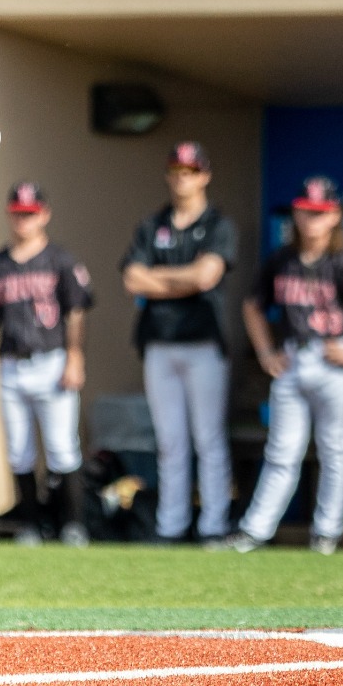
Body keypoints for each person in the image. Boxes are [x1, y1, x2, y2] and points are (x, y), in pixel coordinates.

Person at [227, 176, 343, 555]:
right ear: (295, 213)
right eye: (306, 212)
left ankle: (326, 533)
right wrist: (265, 352)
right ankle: (255, 532)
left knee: (335, 448)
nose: (311, 220)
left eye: (319, 213)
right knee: (281, 450)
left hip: (334, 358)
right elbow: (252, 306)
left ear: (334, 216)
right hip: (293, 355)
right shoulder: (281, 260)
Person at [120, 141, 237, 547]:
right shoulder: (153, 225)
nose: (181, 178)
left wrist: (160, 281)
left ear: (204, 175)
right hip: (159, 342)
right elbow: (132, 279)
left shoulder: (218, 224)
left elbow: (207, 276)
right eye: (176, 170)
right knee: (169, 440)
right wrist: (179, 282)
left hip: (203, 343)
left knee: (208, 437)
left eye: (189, 171)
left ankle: (213, 524)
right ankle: (170, 526)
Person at [0, 181, 94, 546]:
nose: (23, 220)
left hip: (51, 360)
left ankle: (73, 524)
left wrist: (75, 355)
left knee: (61, 447)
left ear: (44, 214)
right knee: (19, 450)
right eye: (18, 213)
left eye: (30, 213)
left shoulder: (60, 259)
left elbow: (76, 311)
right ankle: (32, 524)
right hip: (11, 363)